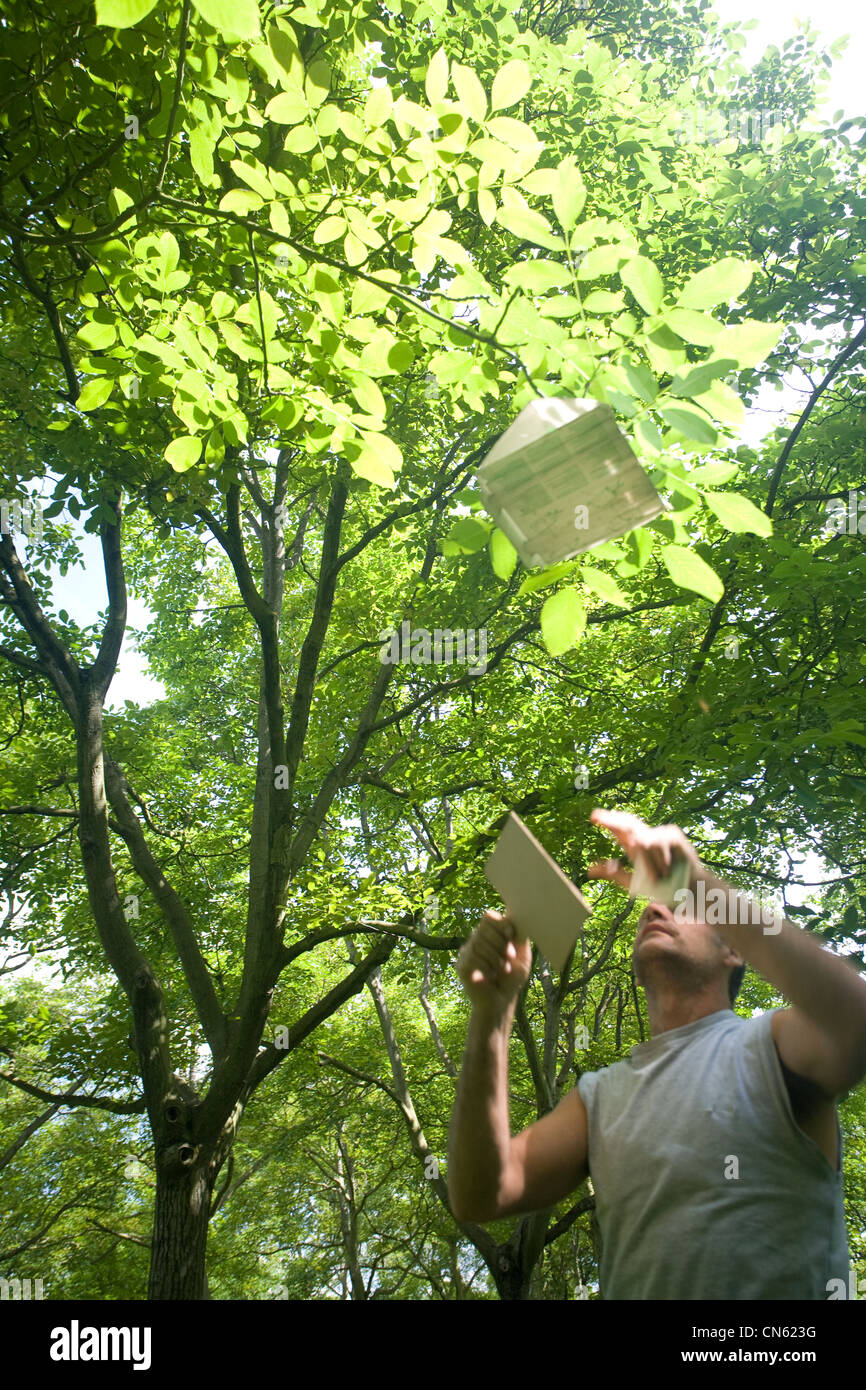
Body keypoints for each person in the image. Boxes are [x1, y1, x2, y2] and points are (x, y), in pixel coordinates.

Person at [447, 808, 866, 1299]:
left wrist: (698, 883)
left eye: (680, 906)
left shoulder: (769, 1045)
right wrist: (492, 1013)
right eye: (654, 905)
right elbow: (481, 1193)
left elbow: (855, 1027)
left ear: (732, 951)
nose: (652, 909)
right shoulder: (598, 1096)